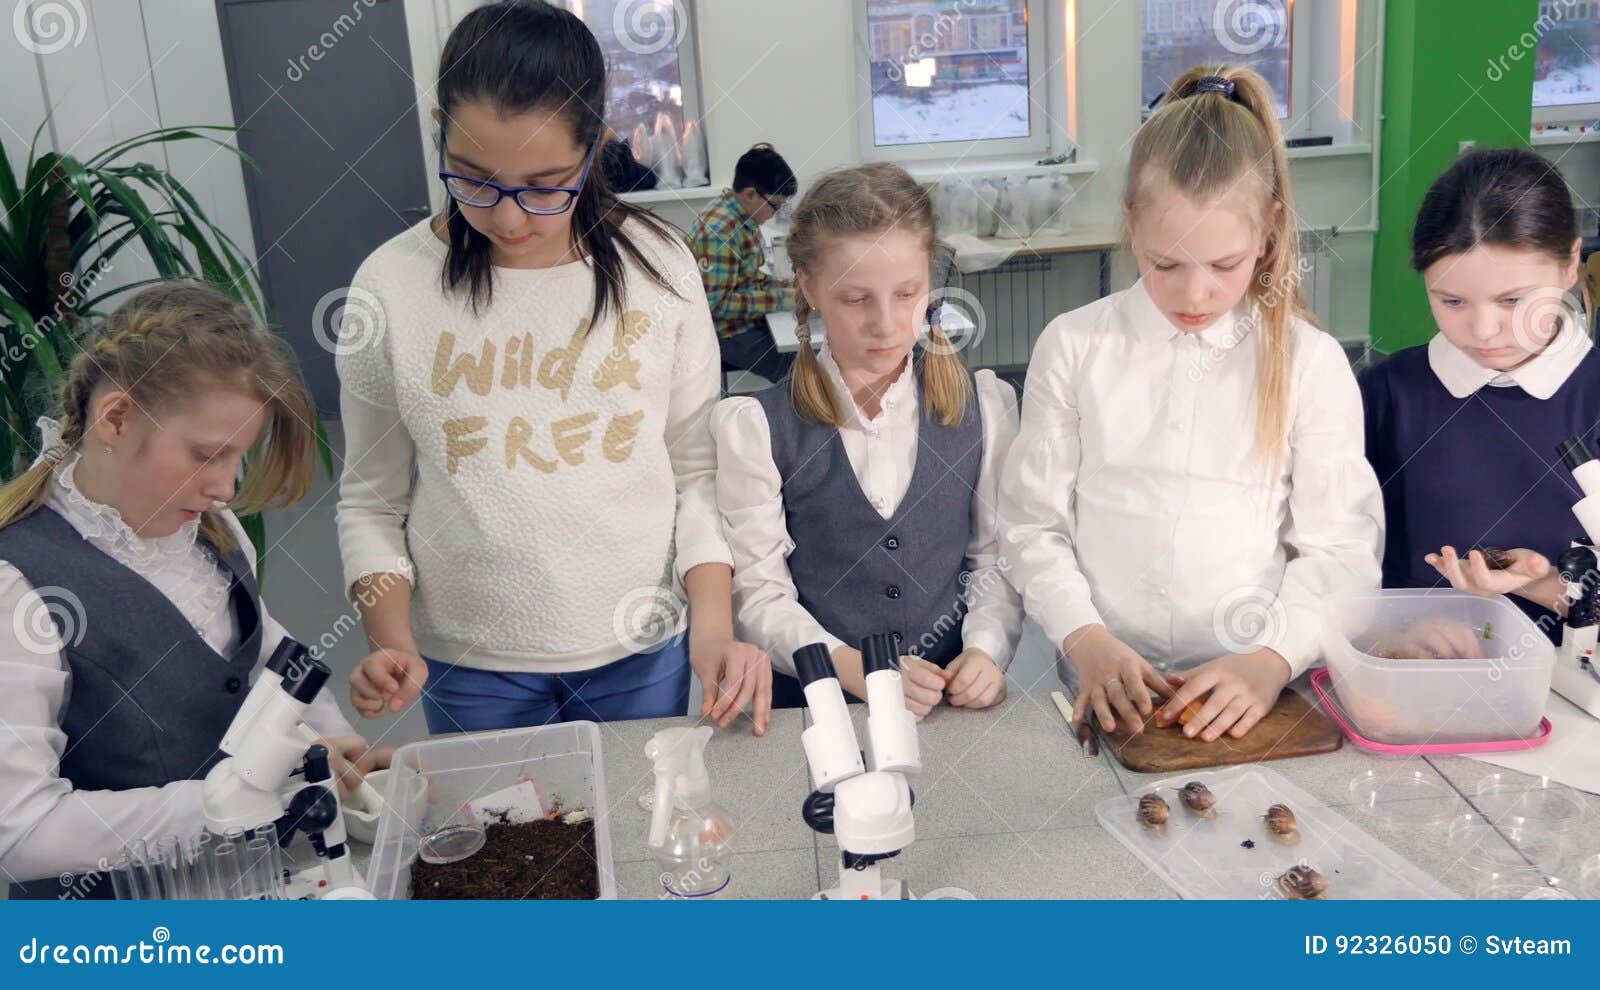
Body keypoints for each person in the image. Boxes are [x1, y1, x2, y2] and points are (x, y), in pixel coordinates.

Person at [338, 1, 771, 737]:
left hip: (643, 641)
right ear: (438, 132)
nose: (509, 220)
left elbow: (695, 470)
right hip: (471, 659)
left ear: (595, 150)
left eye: (545, 186)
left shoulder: (660, 268)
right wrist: (393, 641)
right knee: (507, 844)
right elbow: (370, 502)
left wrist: (712, 624)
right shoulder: (389, 286)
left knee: (643, 836)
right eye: (472, 179)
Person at [999, 67, 1384, 742]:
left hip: (1256, 686)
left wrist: (1269, 660)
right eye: (1164, 264)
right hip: (1100, 675)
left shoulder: (1310, 363)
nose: (1194, 295)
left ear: (1268, 232)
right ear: (1130, 227)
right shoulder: (1074, 345)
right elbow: (1033, 528)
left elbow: (1341, 552)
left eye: (1225, 265)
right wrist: (1085, 638)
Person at [0, 282, 378, 898]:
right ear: (116, 418)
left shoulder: (210, 531)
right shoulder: (16, 586)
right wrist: (230, 802)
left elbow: (258, 655)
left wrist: (327, 752)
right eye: (207, 455)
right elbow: (17, 833)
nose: (226, 488)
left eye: (239, 458)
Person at [714, 163, 1022, 719]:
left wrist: (986, 651)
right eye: (856, 299)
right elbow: (759, 593)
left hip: (946, 708)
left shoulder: (987, 408)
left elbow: (993, 560)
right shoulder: (756, 426)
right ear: (808, 286)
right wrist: (849, 666)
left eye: (907, 293)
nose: (886, 323)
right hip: (816, 709)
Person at [1360, 147, 1596, 639]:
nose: (1484, 330)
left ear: (1571, 262)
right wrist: (1391, 633)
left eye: (1513, 300)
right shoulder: (1382, 397)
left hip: (1569, 700)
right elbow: (1329, 561)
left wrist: (1541, 584)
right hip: (1409, 682)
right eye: (1452, 301)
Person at [688, 143, 800, 384]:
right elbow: (717, 305)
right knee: (799, 372)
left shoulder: (740, 215)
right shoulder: (720, 232)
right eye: (775, 206)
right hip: (726, 334)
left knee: (806, 351)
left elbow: (746, 277)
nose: (776, 213)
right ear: (751, 194)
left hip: (738, 324)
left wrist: (788, 286)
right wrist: (785, 298)